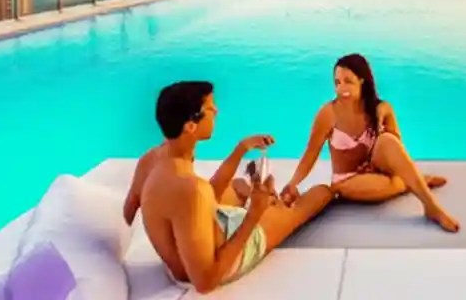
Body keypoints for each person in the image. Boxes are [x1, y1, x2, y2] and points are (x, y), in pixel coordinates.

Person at [123, 81, 335, 294]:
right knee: (313, 199)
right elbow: (205, 283)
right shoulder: (192, 190)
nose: (216, 110)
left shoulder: (150, 160)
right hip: (209, 267)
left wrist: (241, 149)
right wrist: (254, 215)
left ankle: (267, 202)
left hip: (189, 249)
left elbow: (130, 211)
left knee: (238, 186)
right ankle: (276, 205)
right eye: (209, 108)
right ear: (190, 126)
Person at [279, 53, 460, 233]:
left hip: (376, 168)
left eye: (348, 81)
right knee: (392, 183)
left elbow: (397, 147)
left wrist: (387, 112)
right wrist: (293, 184)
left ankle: (431, 207)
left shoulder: (376, 109)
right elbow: (310, 154)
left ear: (362, 81)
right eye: (337, 82)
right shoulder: (328, 114)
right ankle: (417, 181)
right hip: (348, 180)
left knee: (387, 140)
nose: (341, 88)